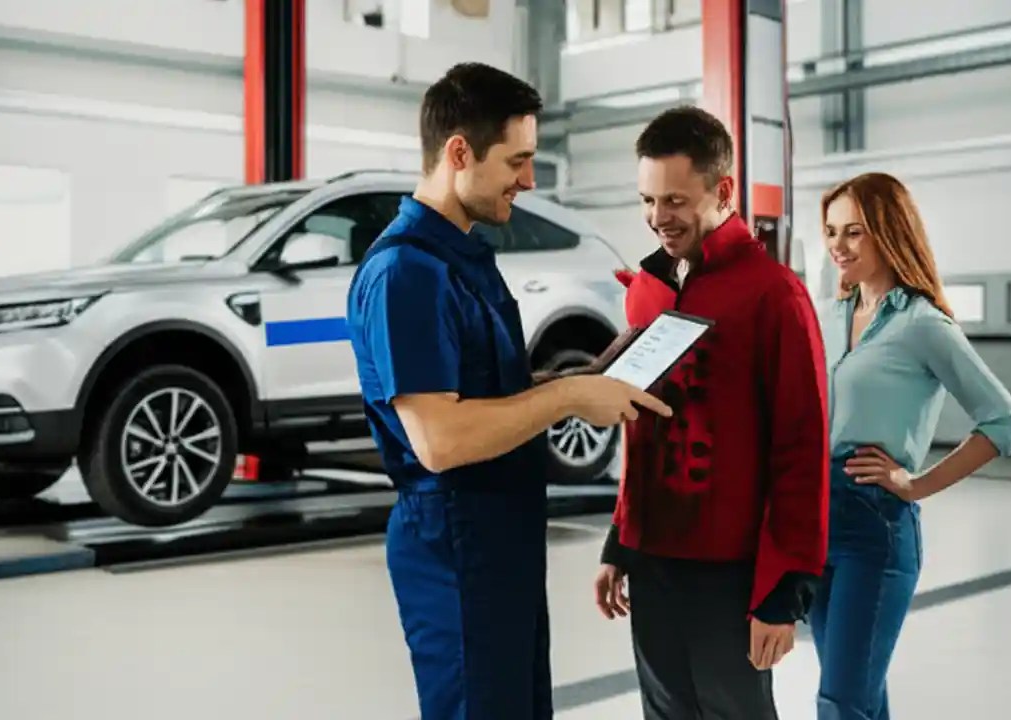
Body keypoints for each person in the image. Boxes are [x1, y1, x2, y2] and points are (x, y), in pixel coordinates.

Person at [345, 62, 673, 720]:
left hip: (501, 537)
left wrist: (577, 379)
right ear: (459, 152)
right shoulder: (408, 273)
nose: (528, 181)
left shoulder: (465, 255)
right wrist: (569, 400)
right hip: (454, 544)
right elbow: (439, 439)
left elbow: (489, 391)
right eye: (517, 161)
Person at [592, 105, 830, 720]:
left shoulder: (775, 295)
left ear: (722, 190)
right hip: (655, 563)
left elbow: (801, 447)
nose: (657, 218)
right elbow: (638, 428)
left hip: (732, 570)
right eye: (647, 200)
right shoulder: (647, 291)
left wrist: (784, 590)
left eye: (673, 200)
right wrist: (621, 540)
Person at [811, 172, 1011, 719]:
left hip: (874, 529)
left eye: (854, 232)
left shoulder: (923, 324)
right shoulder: (825, 317)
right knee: (861, 694)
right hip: (813, 523)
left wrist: (916, 483)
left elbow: (1004, 421)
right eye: (832, 231)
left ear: (889, 232)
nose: (838, 246)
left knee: (841, 701)